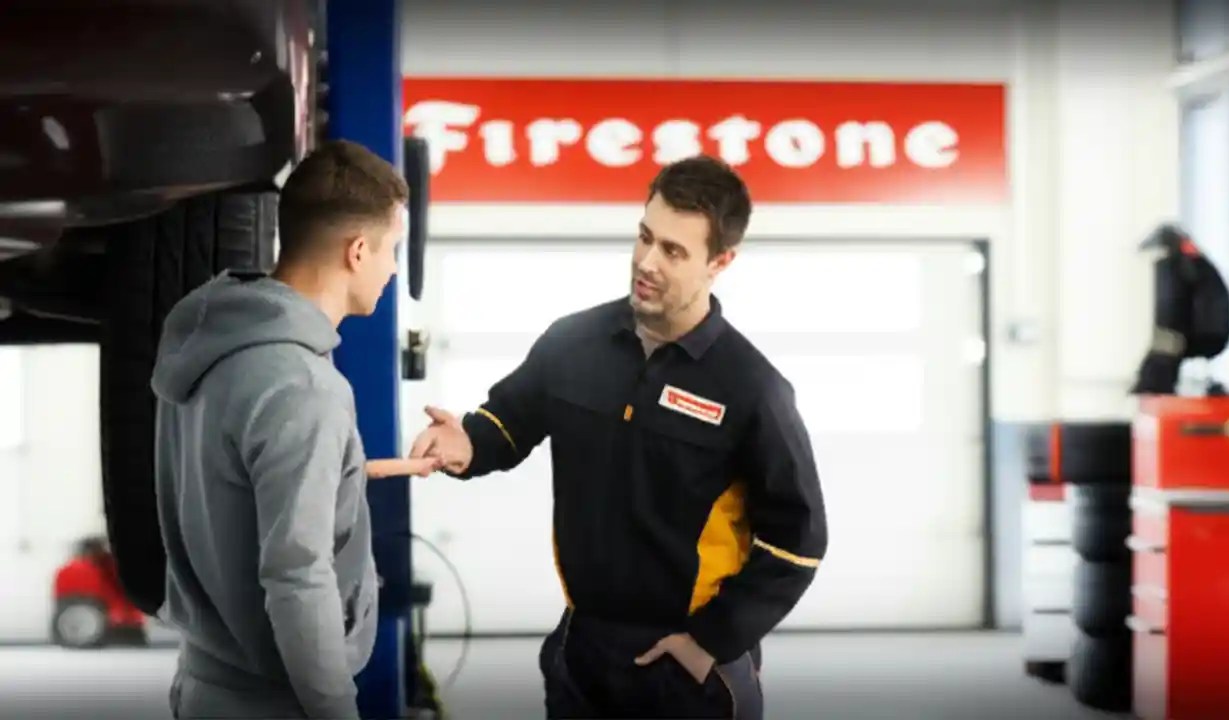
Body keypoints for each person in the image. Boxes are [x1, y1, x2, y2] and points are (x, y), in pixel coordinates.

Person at [411, 154, 829, 719]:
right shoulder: (572, 343)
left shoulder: (752, 390)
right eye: (644, 237)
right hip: (582, 653)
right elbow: (509, 420)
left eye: (673, 251)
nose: (646, 261)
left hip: (686, 671)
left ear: (721, 261)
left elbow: (797, 543)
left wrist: (710, 641)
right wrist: (469, 443)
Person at [150, 139, 437, 719]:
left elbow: (228, 476)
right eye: (391, 251)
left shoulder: (215, 342)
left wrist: (355, 469)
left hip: (203, 682)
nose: (390, 270)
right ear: (358, 251)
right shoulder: (304, 386)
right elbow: (297, 574)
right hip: (274, 701)